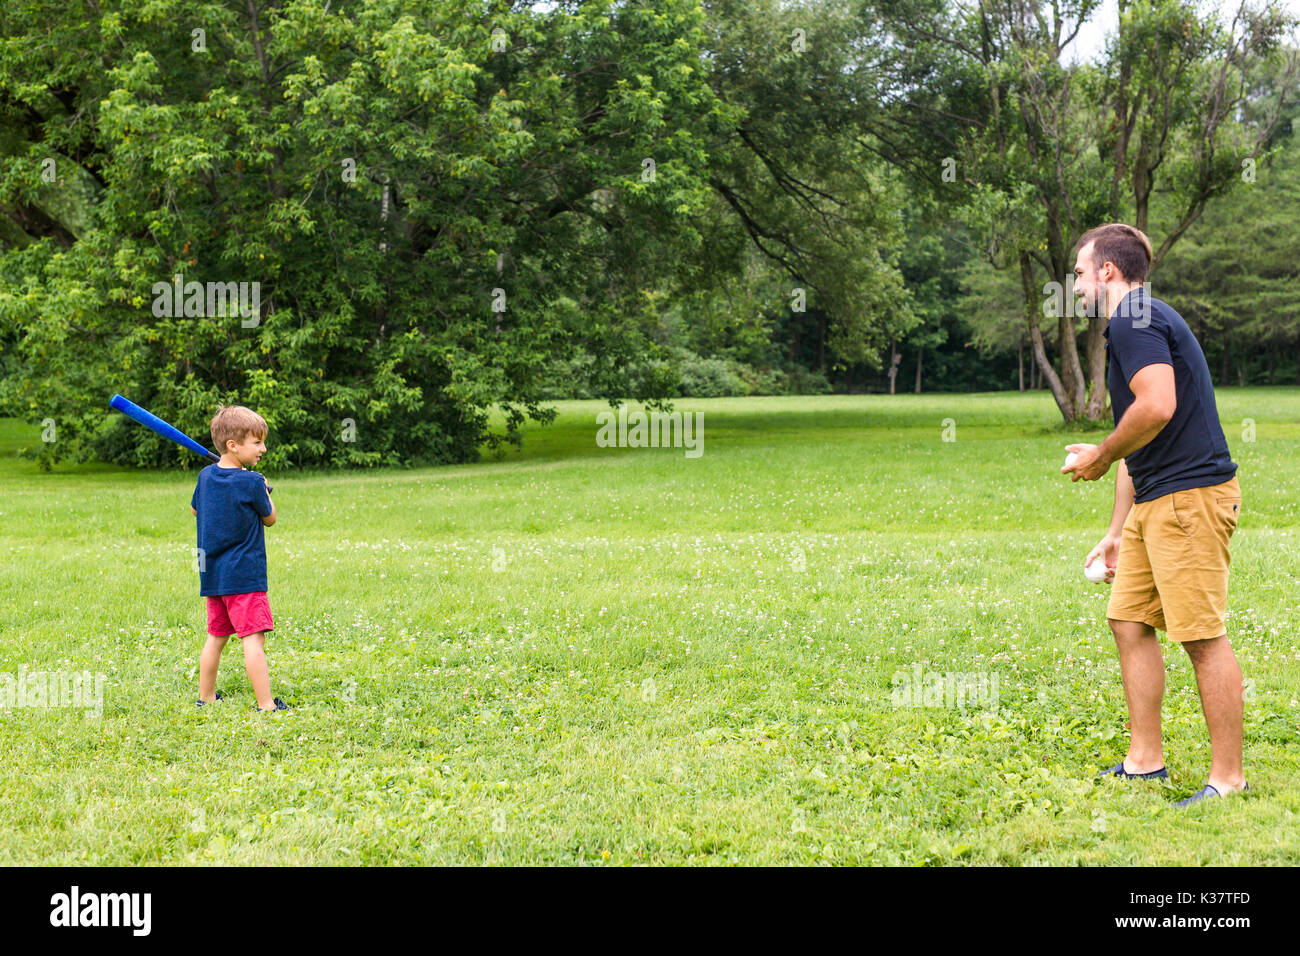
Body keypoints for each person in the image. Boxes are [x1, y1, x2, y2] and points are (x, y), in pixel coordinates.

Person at [1062, 223, 1245, 807]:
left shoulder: (1133, 318)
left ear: (1107, 273)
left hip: (1189, 499)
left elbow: (1158, 406)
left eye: (1081, 274)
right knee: (1129, 621)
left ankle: (1229, 779)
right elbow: (1139, 432)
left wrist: (1100, 452)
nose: (1077, 285)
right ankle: (1145, 762)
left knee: (1200, 637)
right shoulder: (1139, 321)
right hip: (1157, 499)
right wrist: (1116, 531)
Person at [190, 405, 288, 712]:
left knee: (216, 638)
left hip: (213, 575)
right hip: (245, 576)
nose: (263, 448)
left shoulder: (206, 477)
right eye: (257, 442)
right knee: (252, 640)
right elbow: (270, 518)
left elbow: (195, 510)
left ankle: (205, 697)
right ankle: (267, 705)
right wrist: (264, 489)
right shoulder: (251, 482)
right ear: (233, 445)